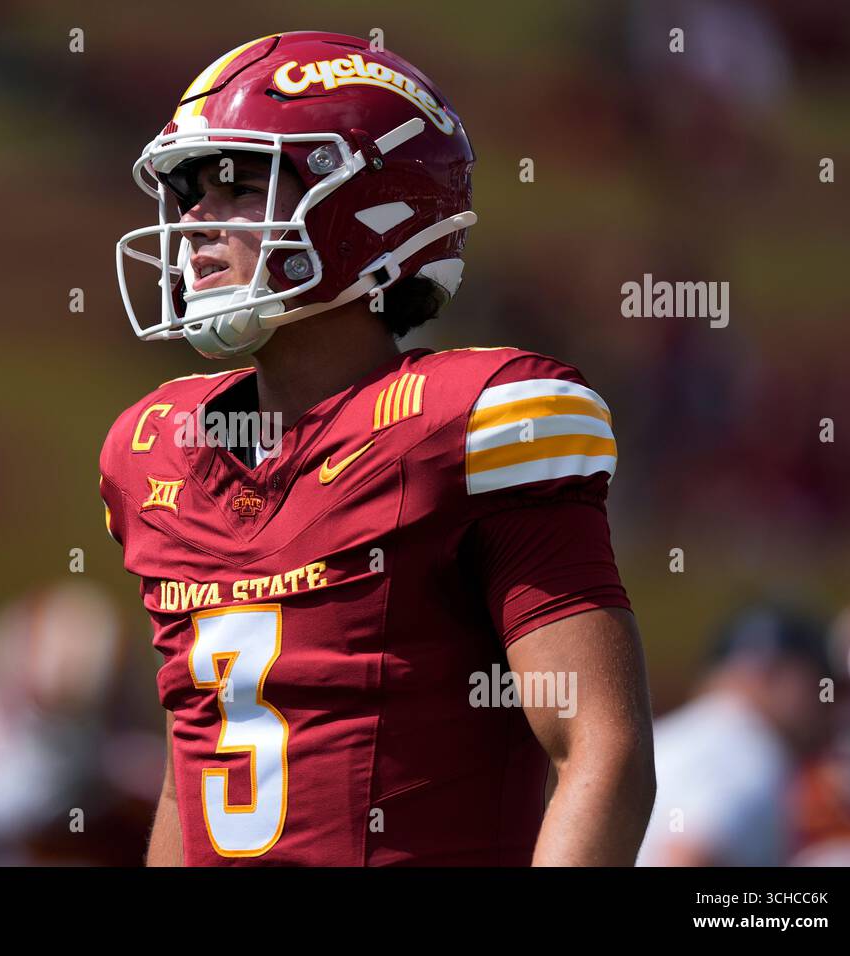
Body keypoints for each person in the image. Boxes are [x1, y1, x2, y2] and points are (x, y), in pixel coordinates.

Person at [101, 31, 654, 865]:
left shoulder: (472, 422)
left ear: (367, 206)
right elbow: (194, 778)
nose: (192, 221)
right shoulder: (152, 450)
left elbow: (602, 749)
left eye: (235, 185)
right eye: (185, 194)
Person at [637, 603, 832, 866]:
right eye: (821, 681)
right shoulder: (750, 752)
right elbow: (684, 855)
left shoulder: (671, 735)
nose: (828, 702)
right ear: (771, 675)